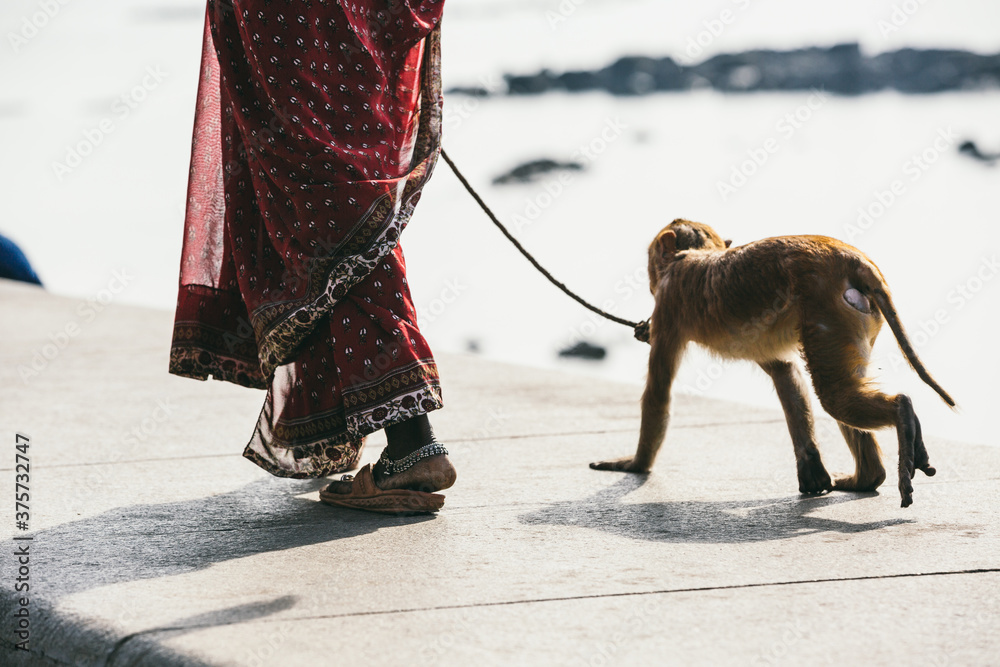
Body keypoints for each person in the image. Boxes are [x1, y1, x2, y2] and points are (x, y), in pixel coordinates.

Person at [170, 0, 454, 513]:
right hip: (333, 23)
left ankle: (413, 443)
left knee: (328, 205)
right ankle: (387, 428)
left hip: (290, 24)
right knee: (339, 198)